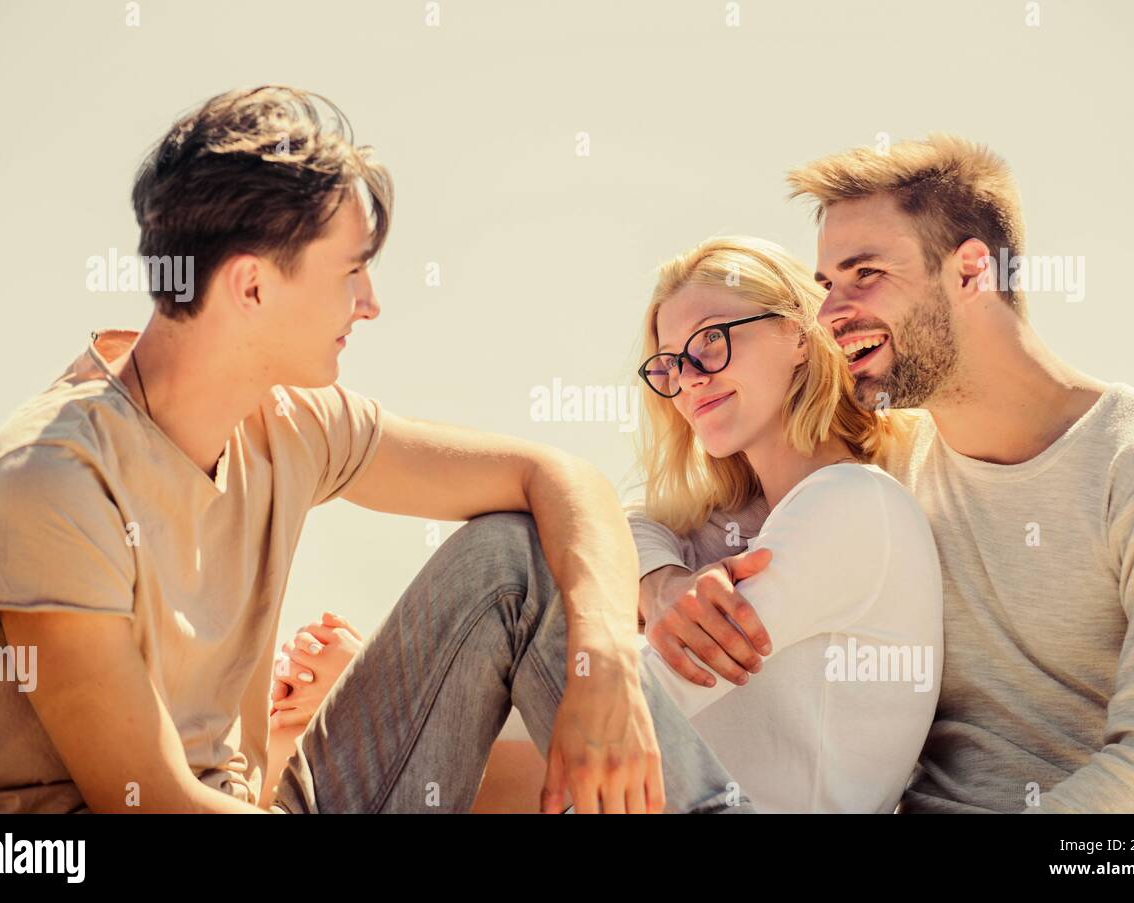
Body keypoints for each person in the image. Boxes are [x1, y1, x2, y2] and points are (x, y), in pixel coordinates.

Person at [0, 85, 748, 814]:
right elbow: (149, 803)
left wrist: (603, 659)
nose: (371, 303)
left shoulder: (290, 421)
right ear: (251, 287)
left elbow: (556, 476)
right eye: (352, 271)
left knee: (513, 555)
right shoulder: (52, 482)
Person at [641, 135, 1134, 813]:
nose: (831, 312)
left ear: (971, 271)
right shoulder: (889, 465)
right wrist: (661, 586)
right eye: (826, 284)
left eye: (865, 273)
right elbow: (650, 519)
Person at [405, 235, 944, 812]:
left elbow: (625, 705)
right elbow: (624, 525)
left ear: (800, 335)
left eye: (711, 340)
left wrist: (425, 701)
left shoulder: (852, 503)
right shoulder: (739, 524)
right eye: (669, 363)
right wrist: (661, 584)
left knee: (508, 562)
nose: (688, 379)